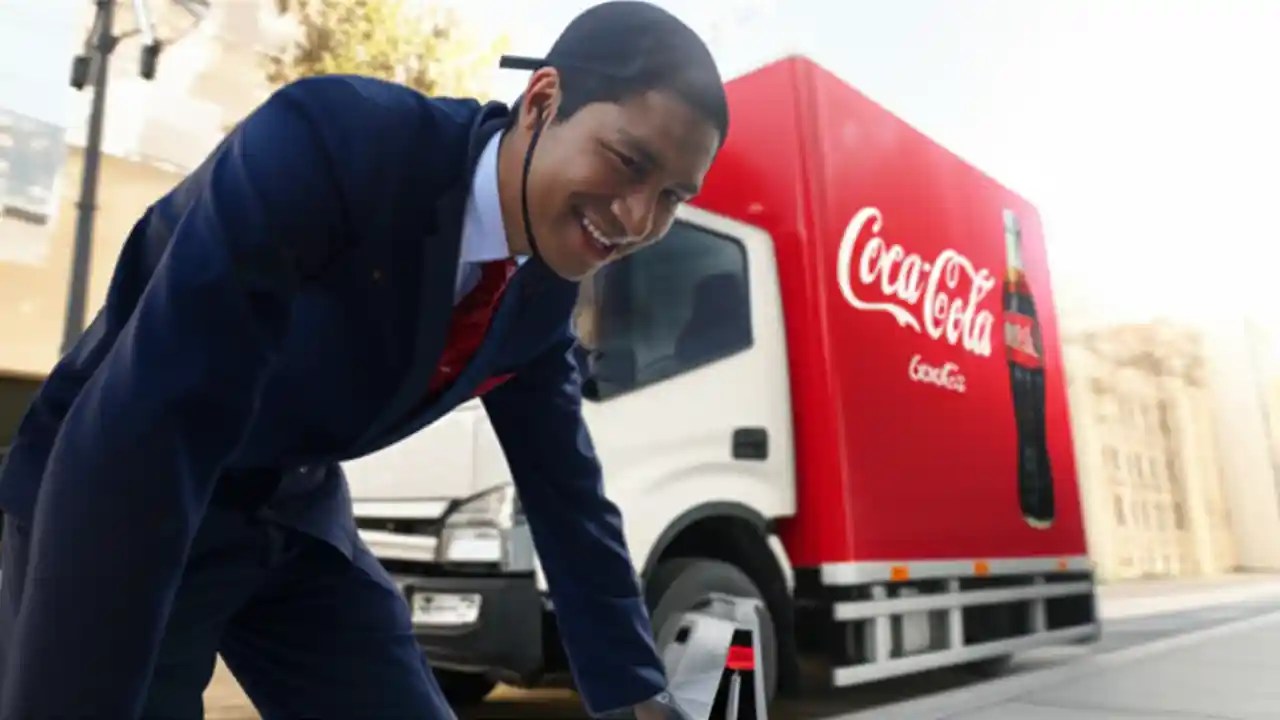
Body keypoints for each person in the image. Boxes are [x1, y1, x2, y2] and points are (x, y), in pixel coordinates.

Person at [0, 1, 728, 718]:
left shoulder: (539, 297)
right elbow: (162, 412)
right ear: (543, 101)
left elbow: (568, 492)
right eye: (628, 161)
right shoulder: (332, 142)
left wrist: (640, 692)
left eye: (670, 196)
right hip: (127, 482)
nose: (638, 219)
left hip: (292, 510)